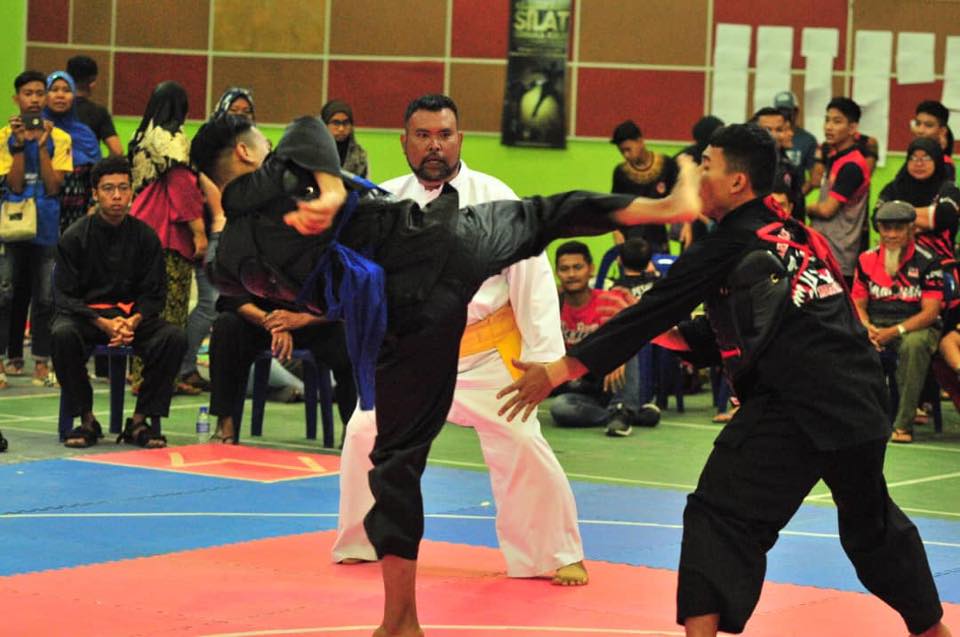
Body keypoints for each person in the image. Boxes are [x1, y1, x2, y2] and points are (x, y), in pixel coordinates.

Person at [188, 112, 700, 637]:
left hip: (406, 328)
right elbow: (306, 127)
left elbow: (233, 274)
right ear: (246, 153)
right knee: (548, 213)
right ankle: (667, 208)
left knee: (395, 462)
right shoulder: (290, 176)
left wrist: (230, 212)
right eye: (260, 141)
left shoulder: (231, 256)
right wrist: (332, 187)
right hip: (440, 250)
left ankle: (400, 619)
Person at [498, 123, 952, 637]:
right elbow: (751, 328)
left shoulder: (730, 241)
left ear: (737, 182)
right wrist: (665, 332)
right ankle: (934, 631)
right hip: (862, 400)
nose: (698, 177)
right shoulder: (796, 235)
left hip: (797, 401)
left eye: (707, 166)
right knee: (873, 529)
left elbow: (654, 310)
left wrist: (558, 371)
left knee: (718, 516)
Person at [332, 94, 587, 584]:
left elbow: (532, 281)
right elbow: (357, 280)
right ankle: (369, 541)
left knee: (520, 438)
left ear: (460, 139)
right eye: (423, 135)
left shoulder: (495, 197)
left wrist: (544, 360)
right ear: (404, 141)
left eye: (444, 135)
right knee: (364, 431)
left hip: (486, 354)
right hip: (411, 353)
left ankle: (552, 553)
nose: (435, 146)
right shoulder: (383, 202)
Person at [52, 156, 186, 449]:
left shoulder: (146, 237)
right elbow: (64, 295)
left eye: (123, 188)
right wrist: (102, 322)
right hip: (89, 318)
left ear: (131, 192)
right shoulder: (75, 237)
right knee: (62, 334)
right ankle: (86, 419)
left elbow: (155, 293)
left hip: (131, 320)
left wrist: (133, 321)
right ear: (95, 193)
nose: (116, 196)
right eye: (108, 189)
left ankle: (139, 421)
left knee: (173, 338)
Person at [127, 81, 206, 395]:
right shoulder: (172, 138)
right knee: (171, 310)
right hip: (168, 235)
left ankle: (141, 377)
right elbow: (182, 188)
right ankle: (164, 379)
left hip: (141, 229)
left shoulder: (142, 137)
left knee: (145, 310)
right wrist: (199, 232)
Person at [178, 87, 257, 393]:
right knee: (210, 304)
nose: (241, 116)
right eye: (234, 111)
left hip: (243, 241)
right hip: (214, 236)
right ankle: (182, 366)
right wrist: (203, 234)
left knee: (229, 309)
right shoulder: (208, 151)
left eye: (246, 111)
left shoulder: (256, 150)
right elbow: (197, 198)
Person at [0, 70, 72, 389]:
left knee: (45, 297)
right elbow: (14, 185)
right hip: (13, 226)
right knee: (4, 294)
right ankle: (3, 362)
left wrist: (42, 147)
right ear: (16, 98)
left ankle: (41, 362)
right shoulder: (4, 136)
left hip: (46, 226)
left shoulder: (61, 138)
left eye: (39, 93)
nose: (34, 99)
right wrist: (18, 147)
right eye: (27, 93)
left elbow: (55, 186)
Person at [206, 293, 357, 443]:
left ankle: (353, 429)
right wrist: (273, 322)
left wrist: (300, 319)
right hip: (259, 320)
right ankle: (225, 425)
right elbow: (231, 297)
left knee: (349, 336)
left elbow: (343, 303)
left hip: (309, 321)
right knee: (226, 324)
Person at [852, 201, 943, 444]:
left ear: (912, 229)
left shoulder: (928, 261)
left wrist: (894, 331)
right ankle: (856, 421)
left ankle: (903, 424)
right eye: (886, 228)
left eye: (899, 228)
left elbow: (931, 312)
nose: (891, 234)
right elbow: (858, 305)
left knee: (913, 346)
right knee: (846, 340)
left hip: (915, 326)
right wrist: (867, 327)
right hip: (877, 324)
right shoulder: (866, 259)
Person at [550, 240, 658, 436]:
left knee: (627, 343)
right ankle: (624, 414)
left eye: (577, 267)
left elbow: (636, 332)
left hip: (616, 382)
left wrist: (617, 356)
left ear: (590, 269)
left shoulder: (610, 300)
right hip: (582, 387)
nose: (571, 274)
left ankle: (623, 407)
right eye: (564, 269)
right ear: (557, 273)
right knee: (560, 408)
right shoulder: (552, 308)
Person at [806, 97, 871, 287]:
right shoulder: (836, 157)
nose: (829, 127)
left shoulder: (852, 165)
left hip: (839, 256)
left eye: (837, 121)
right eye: (827, 120)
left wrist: (804, 208)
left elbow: (828, 209)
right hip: (824, 250)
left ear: (852, 128)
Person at [875, 137, 960, 263]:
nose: (919, 164)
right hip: (897, 259)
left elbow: (945, 216)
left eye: (926, 158)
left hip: (938, 260)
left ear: (937, 161)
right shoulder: (894, 187)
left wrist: (896, 215)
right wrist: (927, 220)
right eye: (913, 158)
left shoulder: (948, 189)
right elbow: (877, 218)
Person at [610, 119, 678, 254]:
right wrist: (617, 235)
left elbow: (679, 198)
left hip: (658, 237)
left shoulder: (666, 165)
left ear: (640, 141)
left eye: (628, 149)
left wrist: (684, 225)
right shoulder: (621, 173)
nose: (626, 155)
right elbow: (614, 208)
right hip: (631, 239)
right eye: (622, 151)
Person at [750, 107, 805, 222]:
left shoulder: (789, 168)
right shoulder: (742, 165)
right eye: (767, 130)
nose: (773, 135)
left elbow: (798, 210)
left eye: (779, 130)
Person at [65, 55, 123, 157]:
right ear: (92, 82)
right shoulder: (99, 113)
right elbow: (117, 151)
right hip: (88, 166)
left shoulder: (52, 110)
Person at [773, 90, 818, 193]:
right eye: (779, 112)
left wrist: (796, 197)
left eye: (787, 111)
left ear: (796, 112)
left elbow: (814, 178)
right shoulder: (769, 137)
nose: (784, 115)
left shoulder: (808, 140)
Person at [320, 99, 368, 178]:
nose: (341, 129)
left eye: (346, 123)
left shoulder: (359, 156)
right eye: (336, 123)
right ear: (324, 125)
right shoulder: (314, 153)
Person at [912, 100, 955, 181]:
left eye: (928, 125)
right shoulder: (914, 156)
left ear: (942, 131)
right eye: (918, 124)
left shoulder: (944, 164)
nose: (920, 130)